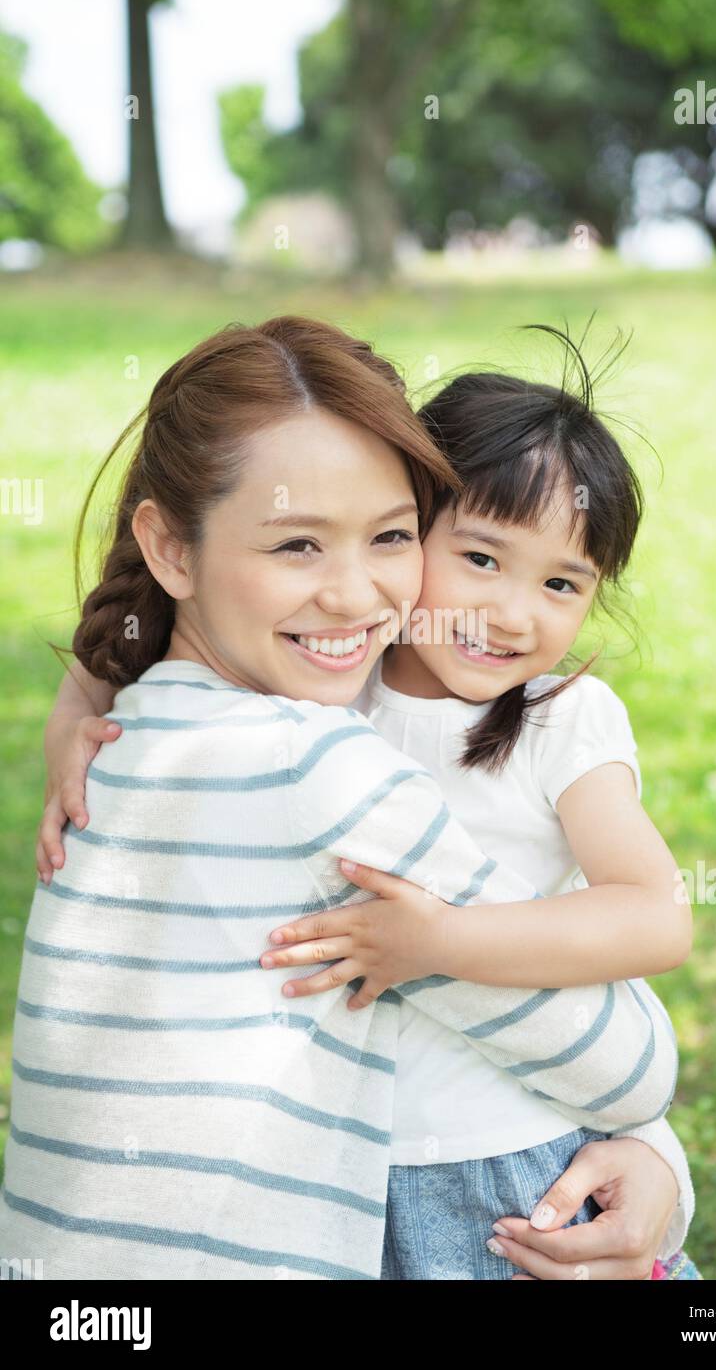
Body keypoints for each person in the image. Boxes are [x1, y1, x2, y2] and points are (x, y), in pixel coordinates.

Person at [5, 315, 680, 1280]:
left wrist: (73, 718)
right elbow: (623, 1062)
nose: (354, 596)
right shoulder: (325, 731)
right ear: (172, 548)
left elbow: (648, 919)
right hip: (401, 1177)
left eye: (389, 537)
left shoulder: (191, 718)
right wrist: (71, 720)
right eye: (296, 546)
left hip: (488, 1162)